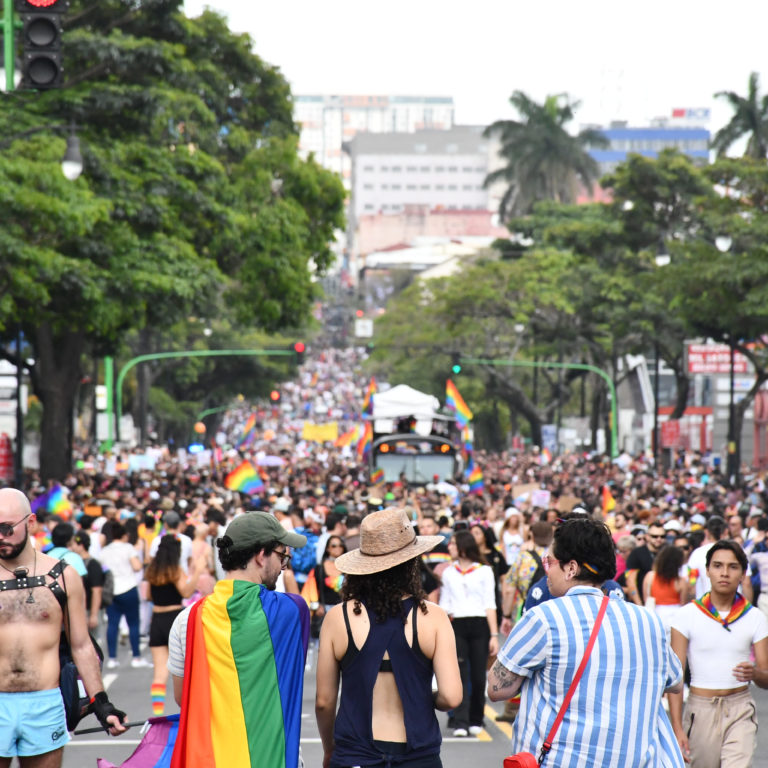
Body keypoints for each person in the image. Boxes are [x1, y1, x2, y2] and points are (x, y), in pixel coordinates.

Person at [488, 517, 685, 767]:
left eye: (549, 562)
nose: (546, 570)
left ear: (571, 568)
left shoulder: (544, 618)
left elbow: (496, 688)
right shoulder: (648, 621)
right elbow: (675, 682)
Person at [315, 507, 462, 768]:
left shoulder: (339, 617)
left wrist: (329, 750)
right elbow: (451, 697)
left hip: (355, 752)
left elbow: (324, 702)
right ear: (412, 563)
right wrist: (420, 692)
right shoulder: (433, 617)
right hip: (418, 755)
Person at [168, 512, 310, 768]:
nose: (283, 567)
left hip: (208, 758)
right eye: (282, 557)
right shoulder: (291, 611)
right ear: (260, 554)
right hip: (271, 757)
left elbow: (182, 696)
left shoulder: (187, 619)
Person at [0, 488, 126, 766]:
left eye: (6, 528)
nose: (0, 537)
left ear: (30, 523)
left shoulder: (62, 576)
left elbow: (81, 645)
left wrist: (101, 703)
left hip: (44, 705)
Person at [669, 540, 768, 767]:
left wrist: (754, 673)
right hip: (699, 710)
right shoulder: (687, 616)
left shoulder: (754, 617)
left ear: (743, 574)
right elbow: (675, 677)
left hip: (740, 708)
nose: (724, 573)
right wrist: (677, 728)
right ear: (708, 571)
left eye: (733, 567)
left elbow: (765, 676)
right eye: (717, 566)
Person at [439, 529, 498, 737]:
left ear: (464, 546)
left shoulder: (484, 571)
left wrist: (494, 635)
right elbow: (444, 603)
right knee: (460, 674)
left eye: (453, 543)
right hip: (457, 624)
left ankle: (477, 718)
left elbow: (490, 603)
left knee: (478, 676)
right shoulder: (448, 572)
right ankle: (461, 722)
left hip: (480, 624)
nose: (450, 547)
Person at [144, 535, 206, 716]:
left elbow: (148, 595)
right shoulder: (176, 570)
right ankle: (191, 712)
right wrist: (197, 572)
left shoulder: (152, 570)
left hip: (156, 619)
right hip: (174, 619)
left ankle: (158, 714)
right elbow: (186, 592)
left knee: (159, 672)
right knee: (186, 668)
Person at [98, 522, 148, 669]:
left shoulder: (105, 551)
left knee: (112, 624)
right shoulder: (128, 548)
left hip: (112, 591)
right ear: (125, 535)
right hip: (129, 588)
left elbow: (103, 569)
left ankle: (112, 658)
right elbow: (137, 567)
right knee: (133, 623)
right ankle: (136, 657)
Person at [643, 544, 688, 639]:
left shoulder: (650, 577)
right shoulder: (680, 582)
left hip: (654, 615)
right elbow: (683, 603)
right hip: (675, 617)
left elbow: (646, 599)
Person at [625, 519, 668, 606]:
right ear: (647, 536)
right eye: (655, 536)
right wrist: (640, 605)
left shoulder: (668, 553)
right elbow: (631, 581)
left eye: (662, 536)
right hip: (643, 602)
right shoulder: (637, 553)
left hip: (665, 604)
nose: (659, 539)